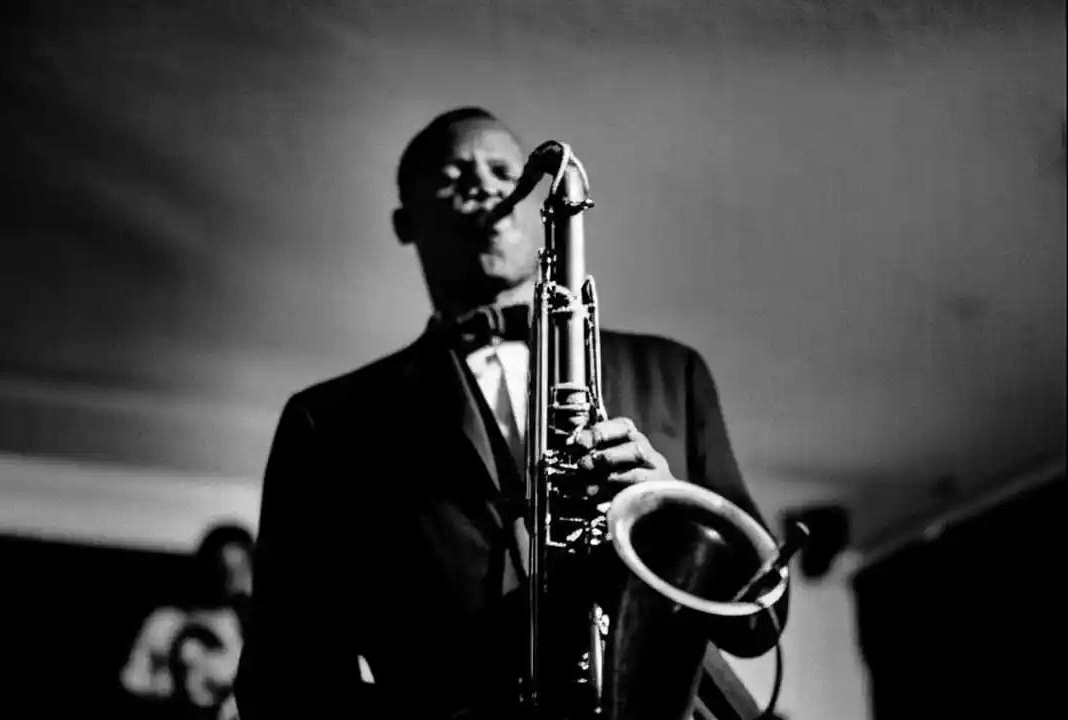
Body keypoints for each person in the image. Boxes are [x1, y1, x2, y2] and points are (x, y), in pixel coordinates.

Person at [235, 107, 788, 720]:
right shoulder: (326, 419)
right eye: (454, 174)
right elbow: (282, 677)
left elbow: (760, 618)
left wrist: (668, 512)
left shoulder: (673, 370)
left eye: (503, 169)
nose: (486, 185)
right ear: (404, 222)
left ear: (539, 207)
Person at [121, 522, 254, 718]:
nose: (235, 583)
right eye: (226, 569)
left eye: (241, 570)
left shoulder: (241, 624)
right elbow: (133, 680)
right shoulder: (165, 621)